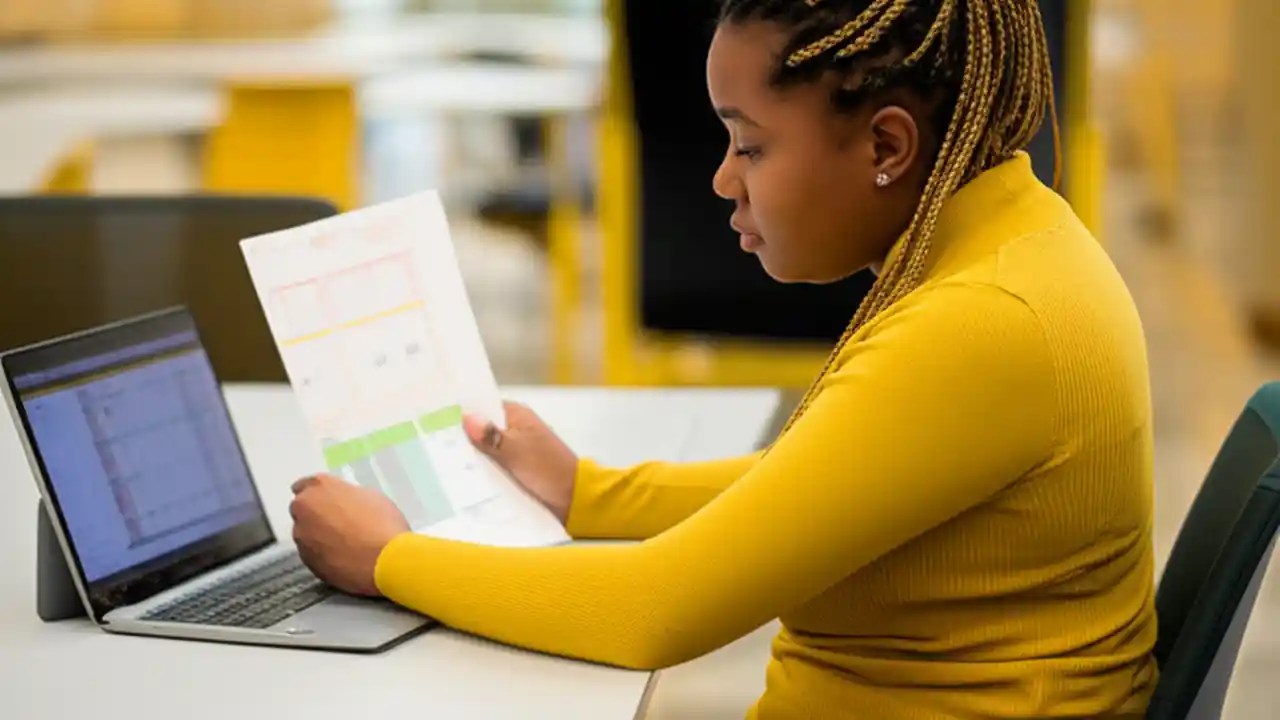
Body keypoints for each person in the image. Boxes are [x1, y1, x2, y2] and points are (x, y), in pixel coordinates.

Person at [288, 1, 1158, 717]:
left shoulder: (986, 322)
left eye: (749, 146)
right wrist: (584, 492)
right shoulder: (1008, 244)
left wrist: (387, 559)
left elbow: (652, 609)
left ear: (887, 148)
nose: (722, 180)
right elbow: (814, 485)